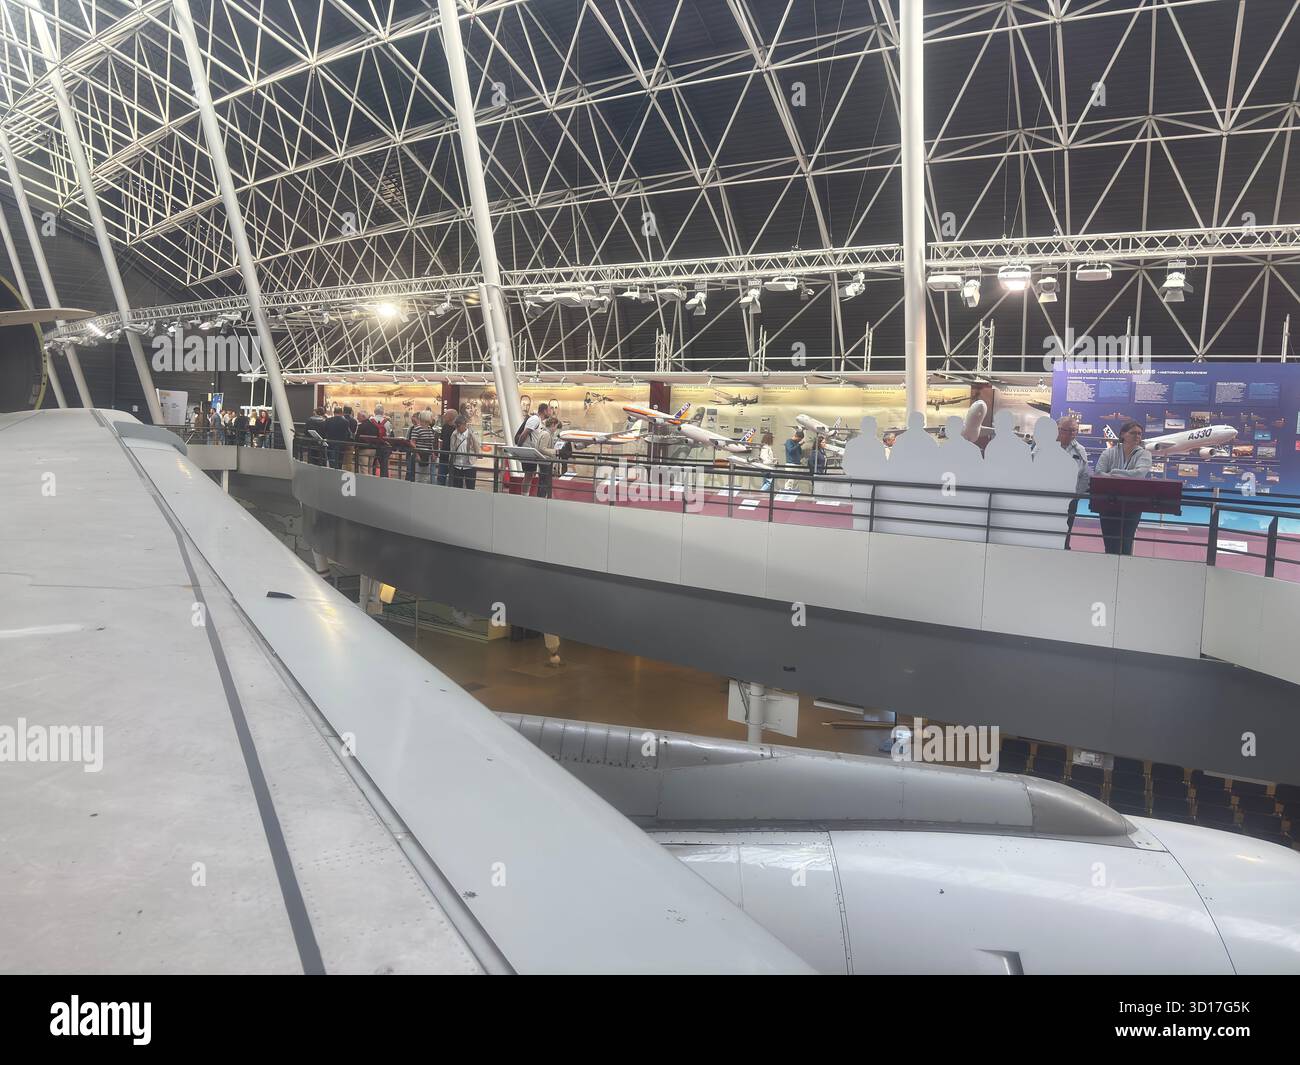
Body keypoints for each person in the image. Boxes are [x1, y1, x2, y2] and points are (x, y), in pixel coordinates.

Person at [1094, 420, 1151, 555]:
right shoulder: (1108, 453)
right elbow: (1098, 472)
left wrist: (1113, 473)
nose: (1137, 436)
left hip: (1132, 504)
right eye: (1133, 433)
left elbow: (1139, 474)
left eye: (1139, 433)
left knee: (1126, 542)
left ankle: (1124, 572)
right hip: (1108, 503)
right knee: (1110, 544)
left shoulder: (1145, 454)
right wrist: (1125, 476)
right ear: (1123, 435)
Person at [1035, 415, 1091, 546]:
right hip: (1047, 496)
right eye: (1065, 430)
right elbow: (1034, 468)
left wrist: (1076, 495)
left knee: (1066, 528)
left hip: (1069, 498)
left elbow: (1084, 475)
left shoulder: (1080, 450)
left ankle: (1064, 550)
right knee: (1043, 527)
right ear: (1057, 429)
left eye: (1073, 430)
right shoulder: (1042, 446)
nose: (1069, 434)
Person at [515, 402, 549, 495]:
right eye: (549, 410)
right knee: (528, 474)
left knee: (530, 474)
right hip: (527, 451)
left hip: (531, 451)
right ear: (545, 410)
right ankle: (524, 495)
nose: (550, 412)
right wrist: (519, 448)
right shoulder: (535, 419)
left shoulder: (539, 421)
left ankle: (525, 494)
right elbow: (525, 433)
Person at [409, 409, 438, 483]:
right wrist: (417, 454)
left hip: (427, 455)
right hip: (419, 454)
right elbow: (412, 442)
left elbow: (430, 443)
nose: (432, 419)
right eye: (431, 417)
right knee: (418, 476)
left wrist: (433, 453)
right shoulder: (417, 429)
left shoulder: (429, 429)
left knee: (426, 476)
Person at [450, 414, 479, 489]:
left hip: (470, 464)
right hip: (457, 464)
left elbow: (477, 447)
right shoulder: (454, 434)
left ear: (464, 424)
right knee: (457, 486)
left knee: (470, 487)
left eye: (458, 426)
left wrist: (475, 456)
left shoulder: (472, 435)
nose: (457, 428)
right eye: (456, 426)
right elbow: (452, 448)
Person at [534, 416, 561, 498]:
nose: (556, 429)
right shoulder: (546, 434)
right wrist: (556, 451)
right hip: (546, 461)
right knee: (545, 482)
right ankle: (542, 498)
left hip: (542, 461)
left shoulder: (543, 432)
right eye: (556, 426)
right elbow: (542, 449)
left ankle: (540, 498)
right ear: (553, 424)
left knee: (542, 481)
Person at [436, 408, 456, 486]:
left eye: (446, 414)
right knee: (441, 478)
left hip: (453, 458)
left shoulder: (457, 428)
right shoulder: (445, 427)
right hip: (444, 456)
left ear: (451, 416)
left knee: (453, 479)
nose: (444, 416)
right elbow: (442, 440)